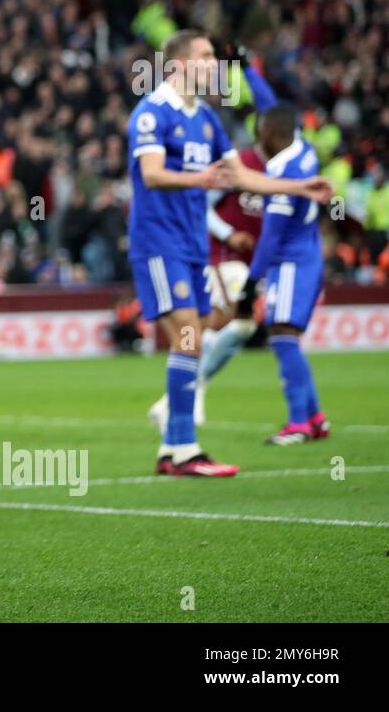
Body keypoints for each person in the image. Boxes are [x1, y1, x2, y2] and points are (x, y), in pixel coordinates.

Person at [127, 30, 330, 477]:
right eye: (204, 58)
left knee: (194, 339)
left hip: (193, 247)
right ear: (179, 64)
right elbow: (152, 173)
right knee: (188, 336)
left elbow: (240, 177)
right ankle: (184, 449)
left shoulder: (206, 120)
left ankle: (173, 449)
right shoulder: (152, 112)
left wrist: (298, 186)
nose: (213, 66)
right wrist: (199, 179)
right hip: (159, 242)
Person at [147, 52, 277, 432]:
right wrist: (227, 233)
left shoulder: (276, 170)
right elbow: (201, 204)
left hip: (251, 264)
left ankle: (180, 397)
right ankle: (182, 407)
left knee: (229, 327)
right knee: (228, 324)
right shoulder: (242, 163)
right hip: (221, 258)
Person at [238, 107, 332, 445]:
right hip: (308, 253)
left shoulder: (281, 172)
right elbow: (271, 105)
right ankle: (315, 417)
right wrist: (246, 68)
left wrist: (250, 283)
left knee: (282, 335)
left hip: (290, 263)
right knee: (285, 336)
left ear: (271, 134)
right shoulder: (304, 150)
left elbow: (271, 236)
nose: (256, 137)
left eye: (260, 130)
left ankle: (298, 424)